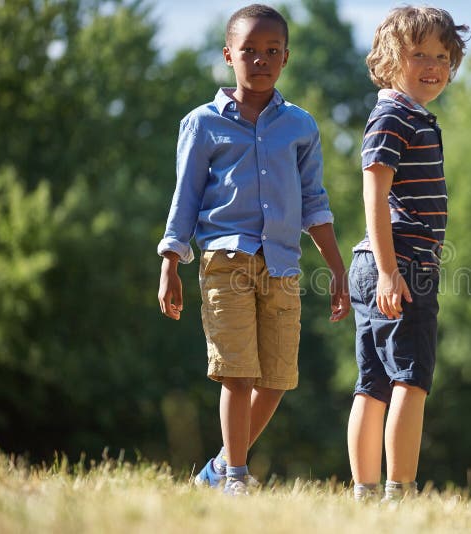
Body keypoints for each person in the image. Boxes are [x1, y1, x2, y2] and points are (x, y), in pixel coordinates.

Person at [157, 4, 350, 496]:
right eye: (249, 50)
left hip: (282, 264)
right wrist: (170, 263)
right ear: (228, 55)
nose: (260, 59)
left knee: (278, 378)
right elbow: (185, 198)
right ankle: (237, 478)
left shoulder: (301, 127)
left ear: (286, 57)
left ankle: (220, 467)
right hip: (225, 261)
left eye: (271, 50)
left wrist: (337, 269)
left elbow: (315, 202)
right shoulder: (201, 124)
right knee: (237, 374)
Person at [347, 6, 469, 501]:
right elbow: (373, 193)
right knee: (411, 380)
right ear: (389, 59)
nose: (433, 66)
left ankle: (365, 494)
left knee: (373, 384)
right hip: (399, 264)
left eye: (442, 56)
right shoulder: (395, 115)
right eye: (419, 54)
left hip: (383, 263)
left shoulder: (410, 115)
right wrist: (388, 271)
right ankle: (400, 495)